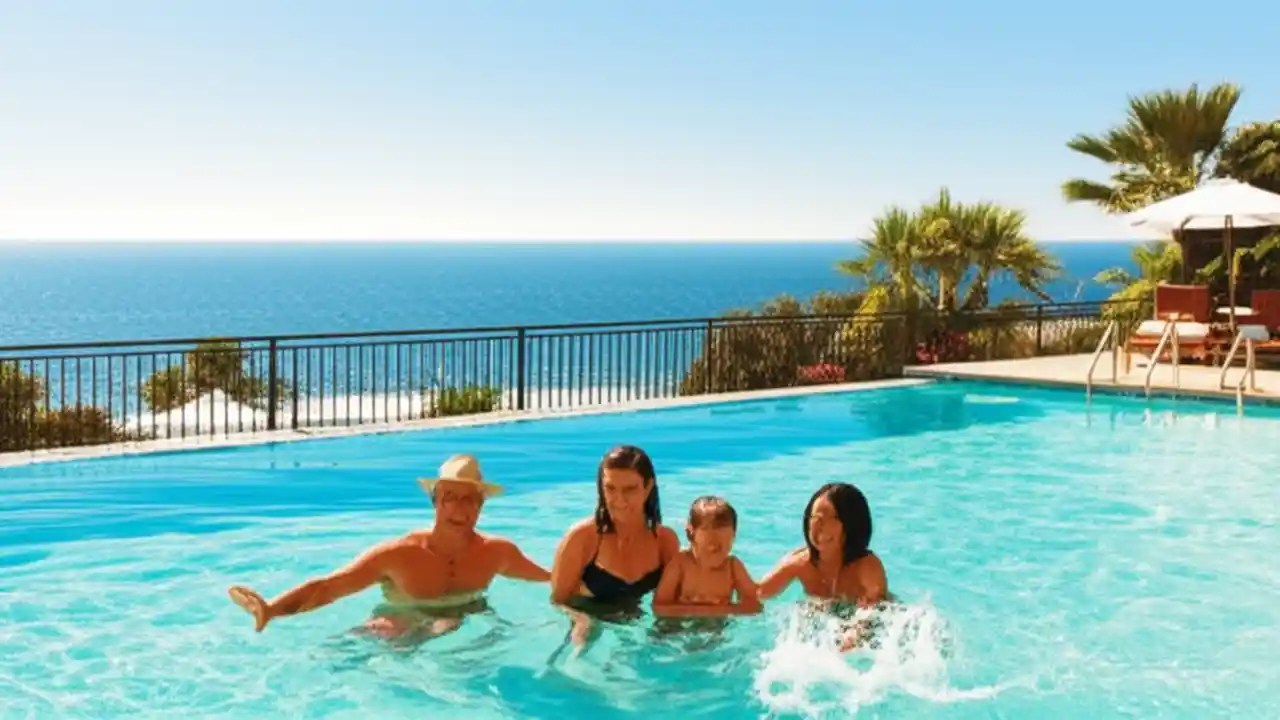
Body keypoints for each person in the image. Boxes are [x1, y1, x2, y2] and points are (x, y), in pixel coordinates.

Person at [226, 453, 550, 638]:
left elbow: (550, 579)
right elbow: (329, 587)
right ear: (435, 503)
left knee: (468, 631)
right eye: (449, 498)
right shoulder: (399, 554)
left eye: (468, 499)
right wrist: (272, 610)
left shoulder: (498, 553)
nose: (458, 509)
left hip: (468, 619)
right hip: (400, 620)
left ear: (481, 505)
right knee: (382, 634)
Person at [550, 445, 679, 643]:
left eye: (630, 489)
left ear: (648, 487)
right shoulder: (582, 538)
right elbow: (558, 601)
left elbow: (674, 600)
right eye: (610, 488)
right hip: (589, 633)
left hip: (641, 634)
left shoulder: (665, 541)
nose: (619, 500)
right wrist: (581, 620)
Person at [758, 482, 889, 649]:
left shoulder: (866, 566)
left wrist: (854, 634)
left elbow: (877, 611)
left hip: (866, 626)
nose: (820, 528)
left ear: (851, 525)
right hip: (825, 619)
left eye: (831, 519)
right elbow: (758, 592)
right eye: (815, 518)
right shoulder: (801, 563)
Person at [652, 496, 761, 617]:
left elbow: (754, 606)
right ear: (690, 535)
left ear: (733, 537)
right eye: (708, 547)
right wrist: (711, 610)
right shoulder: (680, 564)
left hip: (716, 630)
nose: (715, 555)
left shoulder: (733, 567)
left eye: (722, 548)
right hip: (679, 627)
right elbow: (659, 607)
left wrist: (712, 611)